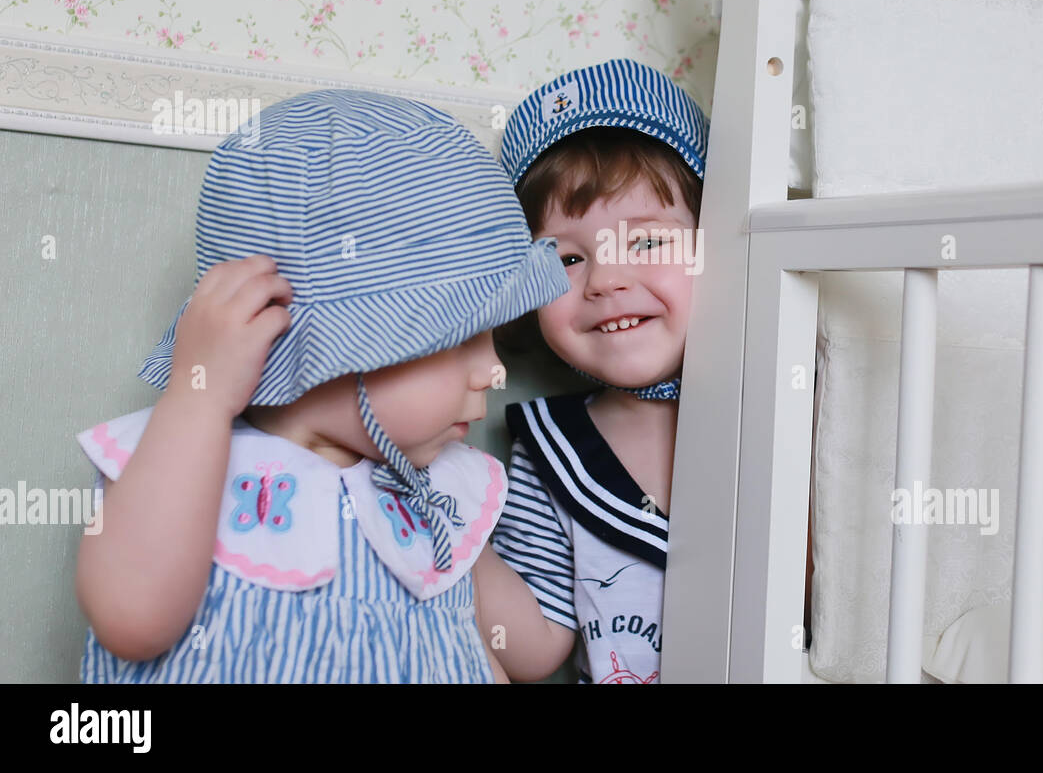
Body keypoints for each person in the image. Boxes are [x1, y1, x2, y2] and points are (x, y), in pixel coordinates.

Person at [73, 89, 569, 683]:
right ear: (339, 344)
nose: (495, 371)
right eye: (458, 338)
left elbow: (532, 652)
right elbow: (133, 620)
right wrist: (199, 397)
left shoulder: (437, 494)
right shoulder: (181, 464)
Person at [474, 58, 708, 684]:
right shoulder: (553, 451)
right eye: (569, 257)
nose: (606, 280)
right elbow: (535, 649)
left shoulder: (792, 405)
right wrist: (447, 529)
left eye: (648, 242)